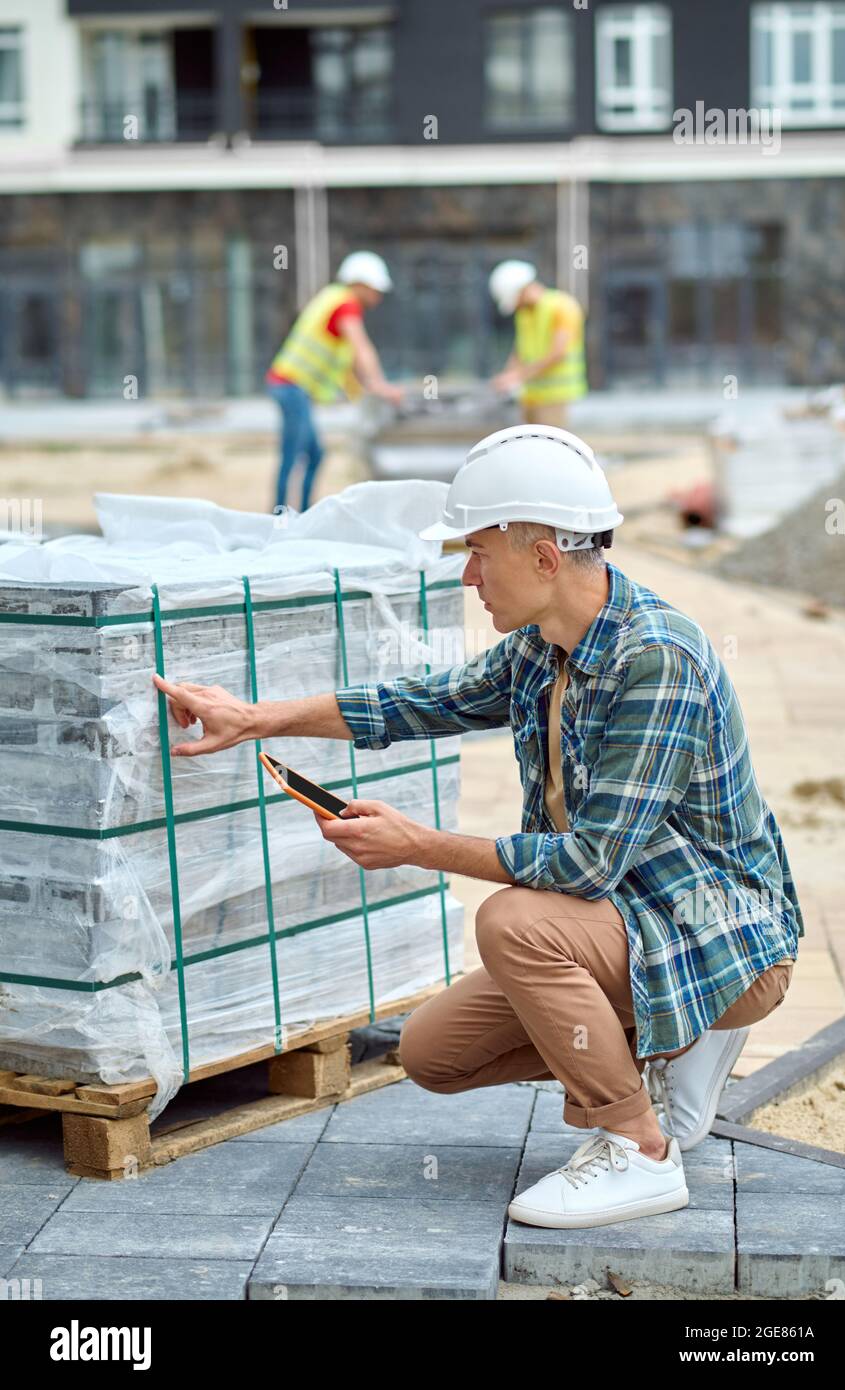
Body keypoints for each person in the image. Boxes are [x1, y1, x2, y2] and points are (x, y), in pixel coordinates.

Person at [150, 424, 802, 1232]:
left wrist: (417, 848)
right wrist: (254, 719)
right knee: (435, 1055)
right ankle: (670, 1041)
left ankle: (639, 1151)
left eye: (479, 552)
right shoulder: (544, 646)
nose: (467, 575)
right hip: (632, 923)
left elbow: (587, 865)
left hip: (720, 935)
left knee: (517, 924)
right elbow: (416, 704)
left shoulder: (656, 659)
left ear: (543, 557)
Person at [265, 250, 404, 513]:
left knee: (311, 454)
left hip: (292, 387)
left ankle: (298, 512)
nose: (378, 296)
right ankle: (282, 515)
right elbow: (361, 348)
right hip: (290, 386)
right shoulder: (345, 304)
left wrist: (364, 390)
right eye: (376, 289)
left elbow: (347, 362)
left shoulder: (334, 300)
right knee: (296, 453)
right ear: (360, 283)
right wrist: (381, 385)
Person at [488, 260, 587, 429]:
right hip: (530, 395)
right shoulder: (525, 313)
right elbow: (520, 349)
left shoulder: (562, 307)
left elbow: (558, 353)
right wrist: (508, 375)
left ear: (522, 290)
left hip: (556, 397)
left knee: (552, 449)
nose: (517, 306)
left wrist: (517, 376)